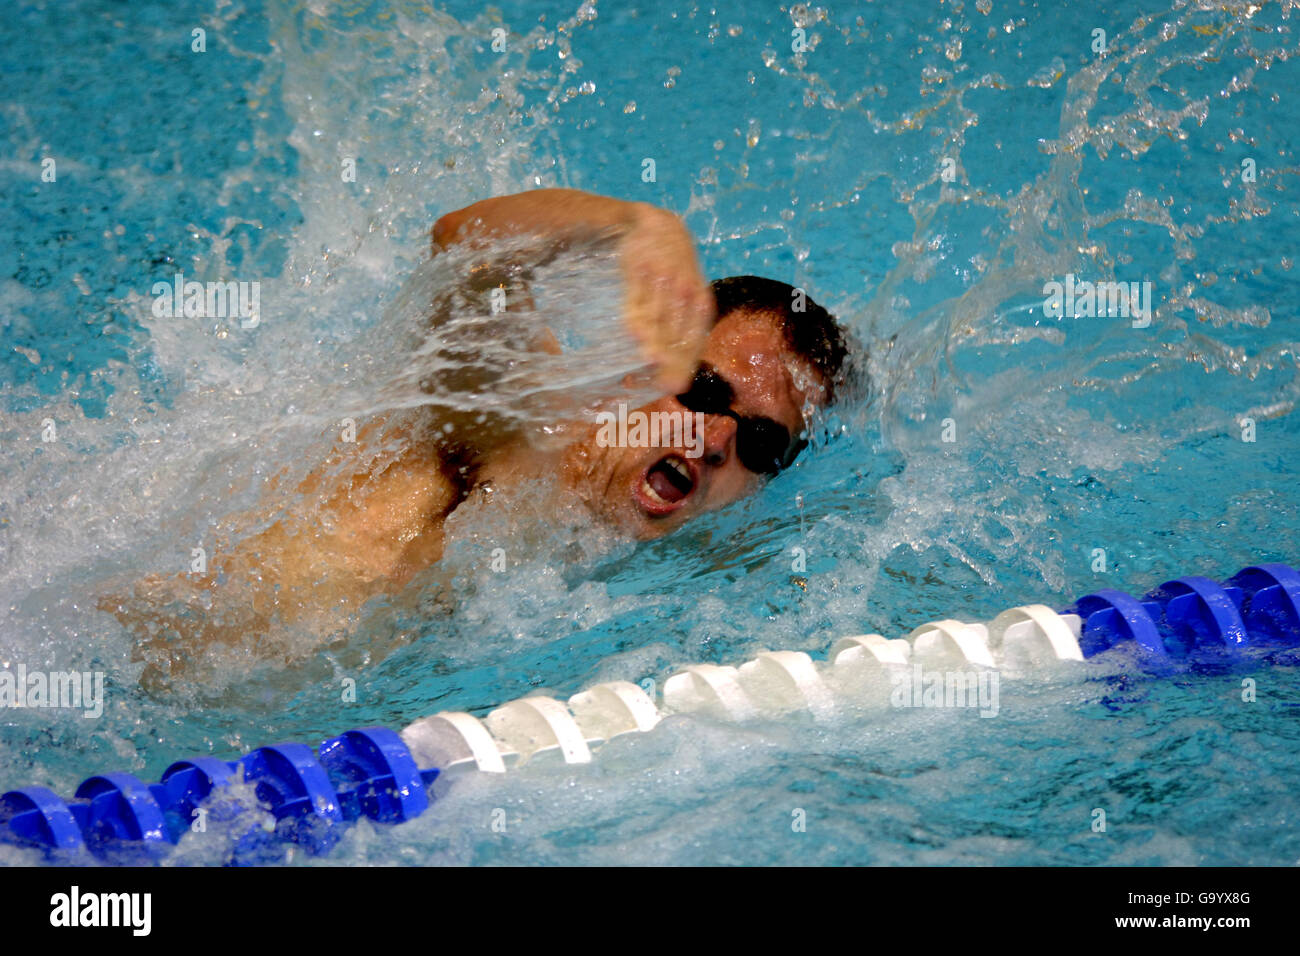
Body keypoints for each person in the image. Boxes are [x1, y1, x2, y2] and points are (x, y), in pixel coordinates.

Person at [101, 189, 849, 683]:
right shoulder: (530, 435)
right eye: (707, 390)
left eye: (761, 442)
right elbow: (467, 251)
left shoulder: (623, 543)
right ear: (649, 368)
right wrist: (638, 228)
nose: (716, 439)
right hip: (112, 660)